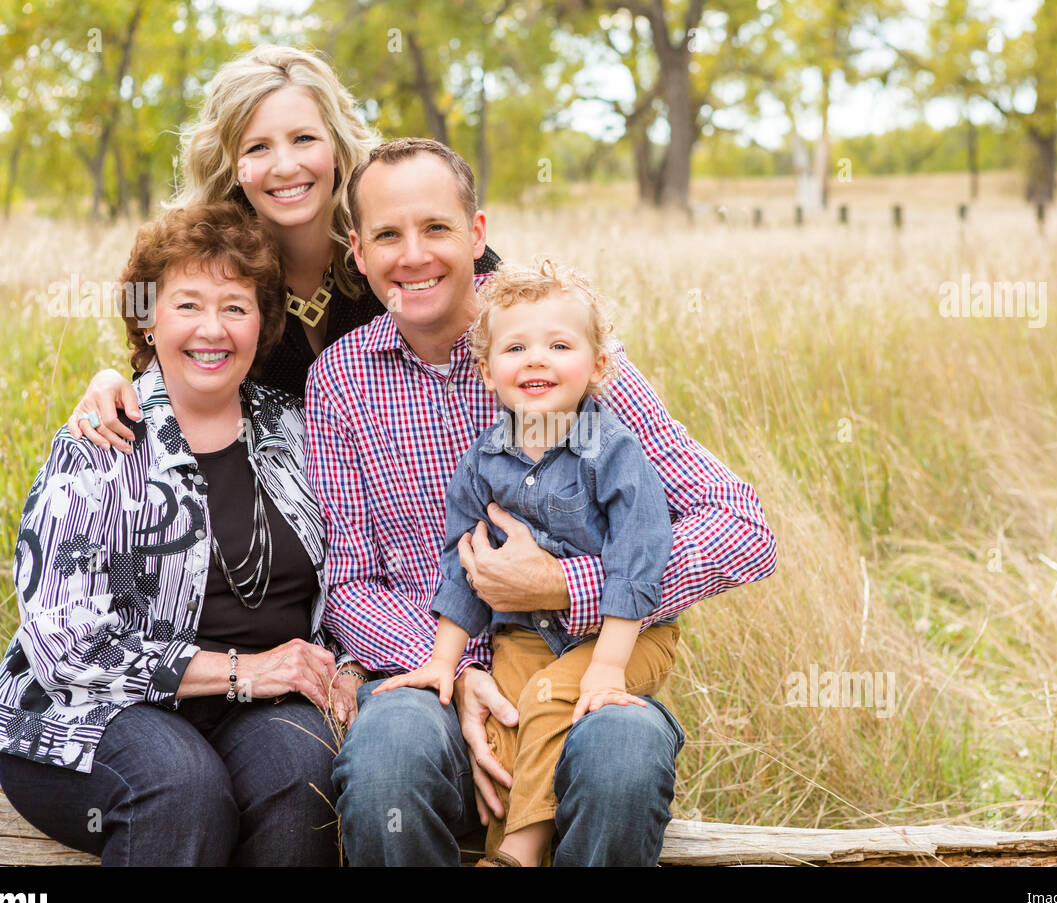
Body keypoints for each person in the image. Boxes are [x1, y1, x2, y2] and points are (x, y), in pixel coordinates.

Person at [306, 138, 779, 866]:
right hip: (431, 669)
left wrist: (565, 585)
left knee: (623, 756)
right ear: (358, 252)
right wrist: (460, 671)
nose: (415, 256)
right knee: (387, 763)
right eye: (388, 235)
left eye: (436, 228)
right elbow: (349, 584)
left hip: (585, 653)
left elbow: (742, 528)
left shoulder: (562, 352)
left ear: (477, 235)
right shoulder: (340, 381)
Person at [0, 202, 364, 866]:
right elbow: (64, 641)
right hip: (97, 713)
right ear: (149, 319)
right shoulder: (101, 441)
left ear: (264, 323)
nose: (212, 329)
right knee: (182, 786)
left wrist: (344, 670)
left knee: (306, 770)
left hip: (259, 709)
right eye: (187, 305)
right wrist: (244, 671)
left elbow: (354, 572)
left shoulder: (300, 429)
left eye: (236, 308)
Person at [373, 258, 679, 867]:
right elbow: (463, 564)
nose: (537, 359)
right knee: (501, 723)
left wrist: (609, 667)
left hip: (626, 636)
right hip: (523, 640)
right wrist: (441, 662)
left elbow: (639, 557)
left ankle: (520, 851)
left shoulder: (612, 450)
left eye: (559, 345)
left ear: (596, 367)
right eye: (516, 347)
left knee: (547, 696)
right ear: (487, 373)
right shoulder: (485, 460)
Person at [64, 45, 499, 455]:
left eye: (304, 139)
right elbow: (167, 333)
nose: (286, 166)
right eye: (258, 148)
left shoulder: (394, 238)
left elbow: (529, 319)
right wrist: (119, 380)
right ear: (234, 165)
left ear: (336, 146)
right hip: (286, 493)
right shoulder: (214, 252)